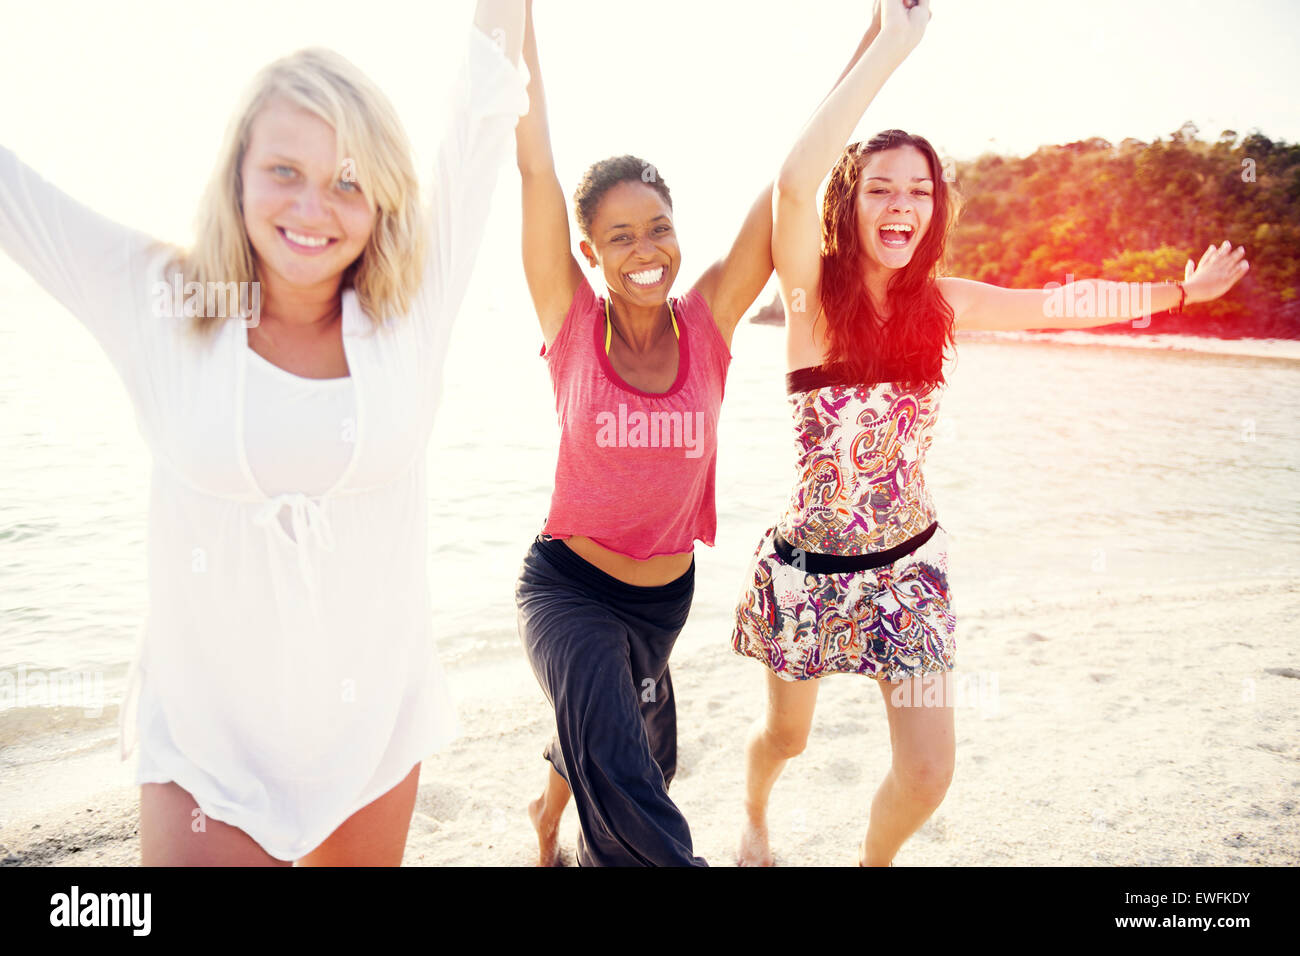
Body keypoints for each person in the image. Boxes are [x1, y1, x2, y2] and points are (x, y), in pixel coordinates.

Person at [0, 0, 528, 865]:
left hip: (372, 738)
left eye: (348, 180)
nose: (314, 207)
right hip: (206, 755)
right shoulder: (157, 301)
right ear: (237, 173)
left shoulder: (412, 310)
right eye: (285, 169)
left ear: (382, 193)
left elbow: (480, 103)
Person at [731, 0, 1250, 867]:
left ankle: (873, 865)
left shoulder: (946, 305)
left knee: (930, 775)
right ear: (850, 203)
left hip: (911, 576)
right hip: (811, 574)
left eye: (919, 191)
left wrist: (1178, 295)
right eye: (881, 188)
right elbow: (791, 181)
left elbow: (1062, 306)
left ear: (936, 209)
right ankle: (754, 815)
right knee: (787, 740)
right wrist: (891, 49)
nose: (901, 205)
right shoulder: (811, 299)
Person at [512, 1, 887, 866]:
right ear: (590, 251)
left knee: (637, 754)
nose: (645, 250)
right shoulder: (571, 321)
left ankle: (544, 819)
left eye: (659, 228)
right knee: (622, 771)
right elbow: (535, 165)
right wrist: (515, 14)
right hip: (568, 589)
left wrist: (873, 44)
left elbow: (796, 176)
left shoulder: (709, 322)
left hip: (662, 604)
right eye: (619, 237)